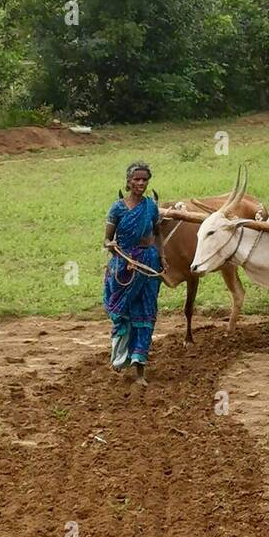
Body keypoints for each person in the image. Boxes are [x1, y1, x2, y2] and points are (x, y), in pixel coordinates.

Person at [103, 162, 164, 384]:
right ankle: (120, 361)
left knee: (146, 314)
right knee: (123, 314)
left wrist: (162, 258)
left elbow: (157, 235)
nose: (140, 183)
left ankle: (139, 368)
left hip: (149, 263)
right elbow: (107, 239)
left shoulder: (151, 207)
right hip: (124, 266)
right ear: (128, 181)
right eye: (136, 179)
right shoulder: (117, 208)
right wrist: (113, 247)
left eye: (144, 180)